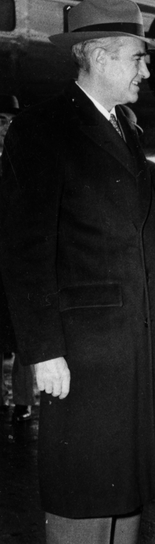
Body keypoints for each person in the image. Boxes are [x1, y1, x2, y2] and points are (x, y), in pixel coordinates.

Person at [0, 0, 155, 544]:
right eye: (139, 58)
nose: (145, 71)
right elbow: (24, 249)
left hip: (135, 331)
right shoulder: (43, 128)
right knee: (83, 469)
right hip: (80, 340)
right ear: (102, 54)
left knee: (128, 457)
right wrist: (42, 349)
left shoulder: (125, 126)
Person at [0, 94, 36, 426]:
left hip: (19, 266)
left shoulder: (27, 163)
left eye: (9, 121)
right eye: (0, 121)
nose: (5, 128)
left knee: (25, 339)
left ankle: (23, 402)